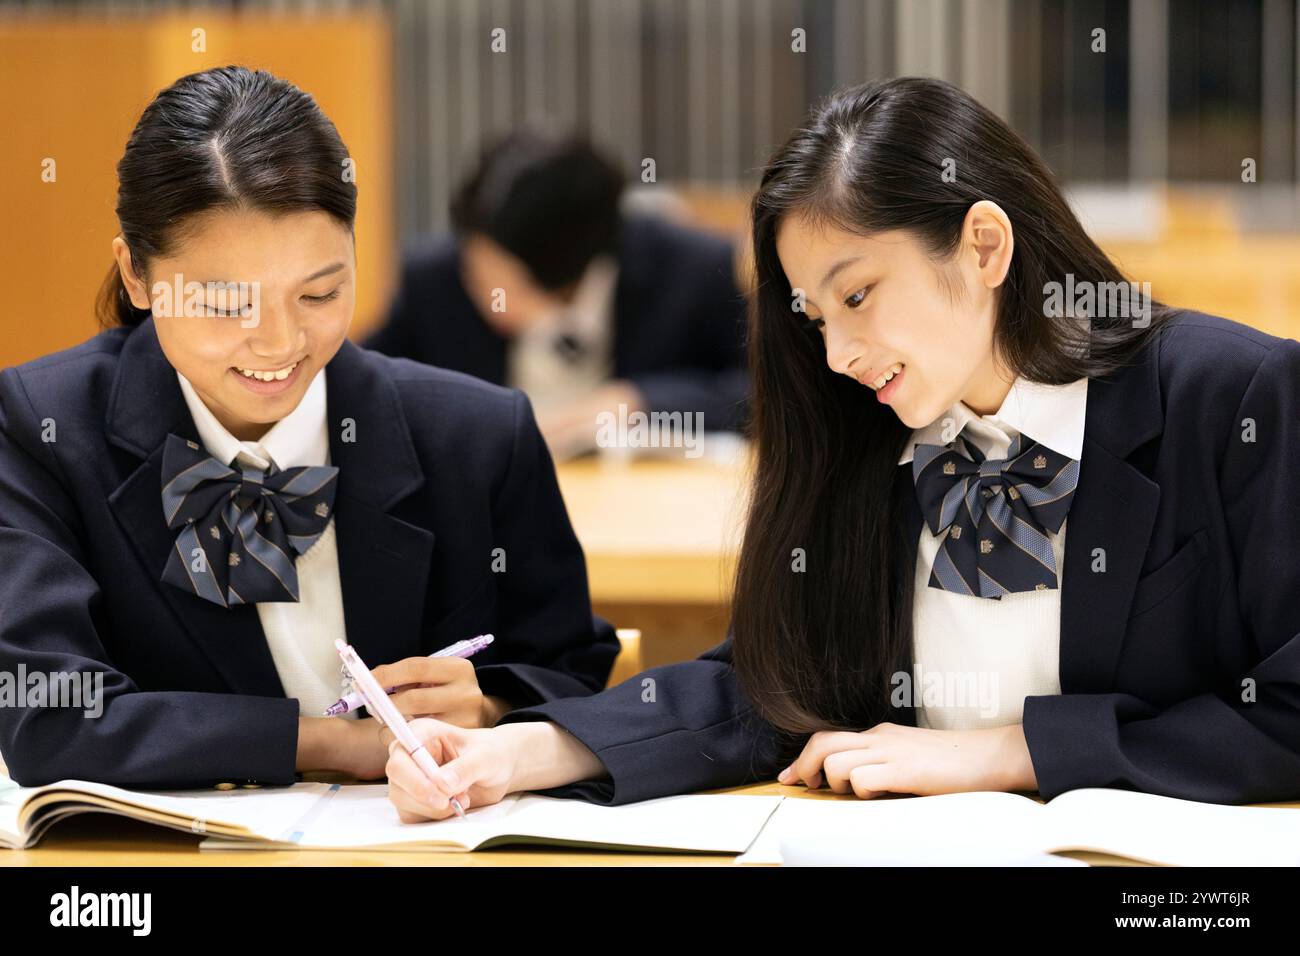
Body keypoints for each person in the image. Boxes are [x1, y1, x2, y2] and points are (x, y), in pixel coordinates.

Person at [381, 77, 1300, 820]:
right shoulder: (864, 426)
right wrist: (523, 751)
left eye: (857, 296)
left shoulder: (1234, 397)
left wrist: (1012, 753)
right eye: (813, 316)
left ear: (984, 246)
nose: (834, 354)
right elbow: (770, 686)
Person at [0, 66, 618, 788]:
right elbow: (49, 714)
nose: (278, 342)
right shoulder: (41, 428)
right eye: (227, 304)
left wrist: (492, 704)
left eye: (320, 292)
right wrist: (331, 744)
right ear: (137, 275)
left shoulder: (478, 436)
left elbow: (574, 673)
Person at [363, 131, 749, 459]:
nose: (481, 293)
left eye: (504, 285)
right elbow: (363, 387)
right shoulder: (435, 280)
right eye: (474, 271)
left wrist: (637, 402)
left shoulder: (691, 269)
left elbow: (769, 390)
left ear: (569, 272)